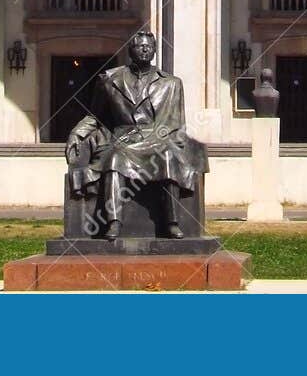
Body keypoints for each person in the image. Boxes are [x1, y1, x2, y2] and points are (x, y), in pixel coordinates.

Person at [66, 29, 208, 239]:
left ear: (154, 51)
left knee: (168, 157)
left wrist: (171, 141)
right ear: (130, 50)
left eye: (149, 47)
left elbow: (178, 123)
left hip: (158, 139)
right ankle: (114, 222)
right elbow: (95, 116)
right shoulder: (110, 79)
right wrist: (77, 133)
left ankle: (172, 223)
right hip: (123, 140)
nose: (144, 50)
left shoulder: (171, 83)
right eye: (140, 46)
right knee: (114, 160)